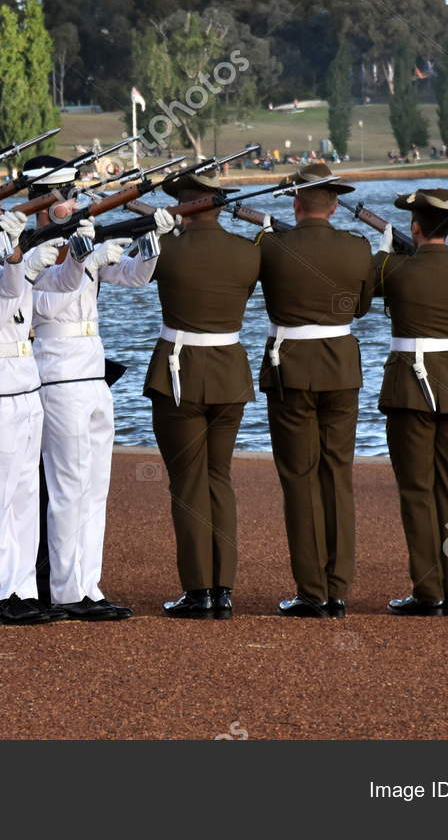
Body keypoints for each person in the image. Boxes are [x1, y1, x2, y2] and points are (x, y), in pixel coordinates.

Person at [30, 155, 169, 620]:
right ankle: (66, 590)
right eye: (64, 196)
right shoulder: (26, 250)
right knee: (68, 488)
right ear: (41, 201)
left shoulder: (77, 240)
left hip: (91, 373)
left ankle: (88, 584)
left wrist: (151, 243)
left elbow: (132, 276)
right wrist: (85, 256)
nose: (73, 202)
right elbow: (43, 306)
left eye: (73, 194)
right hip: (57, 374)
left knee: (95, 489)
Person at [144, 170, 260, 619]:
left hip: (182, 374)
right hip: (229, 373)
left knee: (188, 484)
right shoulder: (247, 253)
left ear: (186, 207)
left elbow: (127, 270)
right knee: (219, 479)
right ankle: (224, 589)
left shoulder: (168, 248)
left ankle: (199, 592)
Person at [256, 164, 370, 618]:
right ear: (336, 204)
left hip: (292, 369)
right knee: (337, 476)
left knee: (300, 479)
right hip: (341, 367)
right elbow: (360, 308)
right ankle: (338, 589)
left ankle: (311, 591)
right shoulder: (358, 248)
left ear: (296, 203)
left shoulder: (273, 247)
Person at [371, 190, 448, 617]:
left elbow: (364, 296)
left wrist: (382, 255)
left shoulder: (395, 270)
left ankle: (428, 592)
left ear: (414, 228)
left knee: (417, 490)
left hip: (409, 387)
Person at [0, 212, 68, 624]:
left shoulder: (8, 273)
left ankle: (23, 585)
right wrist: (22, 267)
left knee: (26, 495)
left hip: (25, 382)